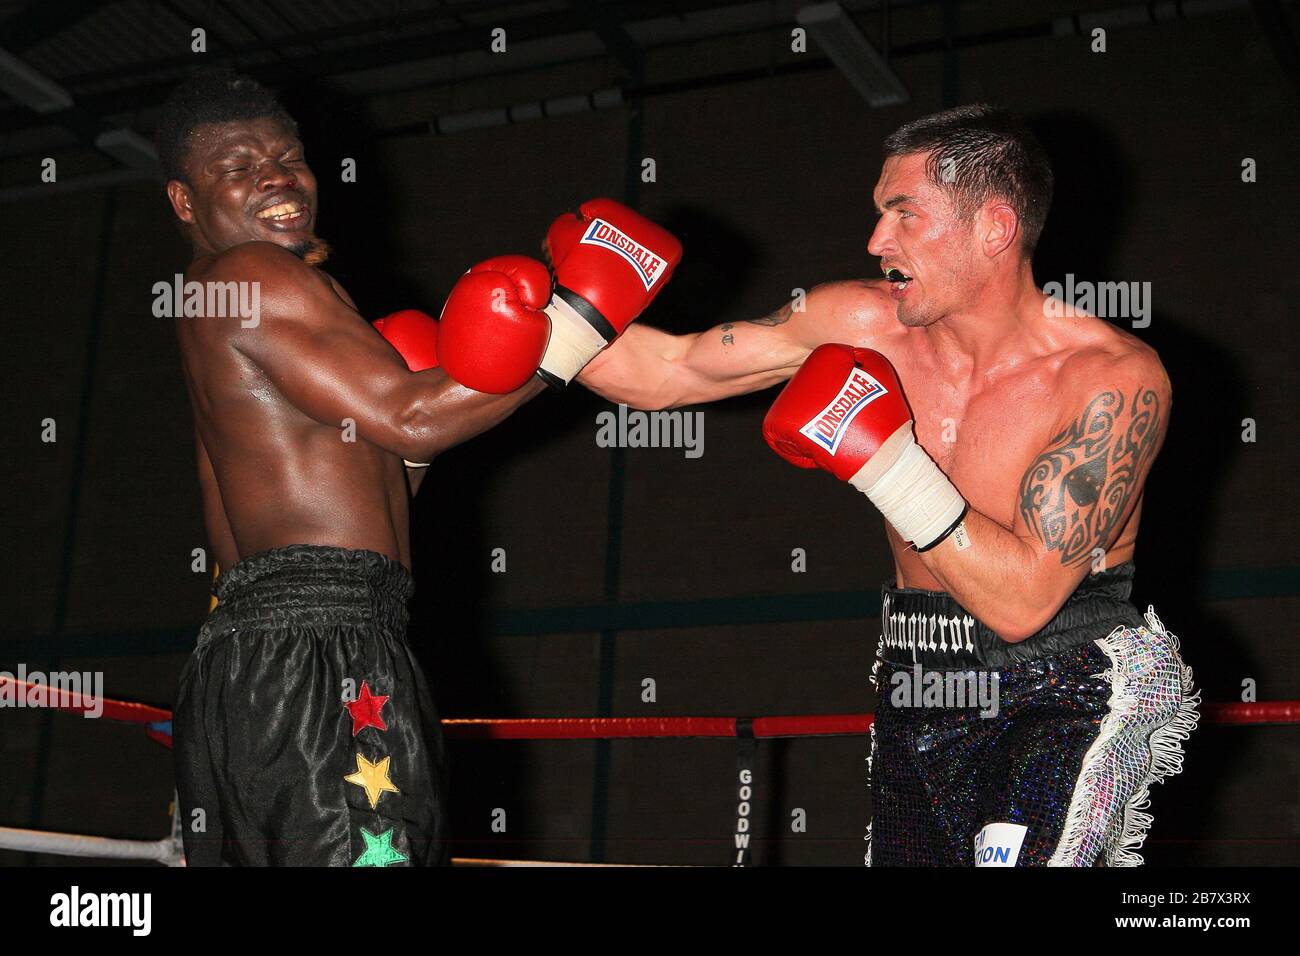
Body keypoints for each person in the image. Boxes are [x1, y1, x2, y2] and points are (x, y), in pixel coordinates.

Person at [567, 104, 1199, 866]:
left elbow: (1023, 602)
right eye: (878, 215)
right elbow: (669, 373)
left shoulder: (1111, 381)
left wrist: (887, 464)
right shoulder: (856, 320)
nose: (876, 242)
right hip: (917, 681)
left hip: (1061, 691)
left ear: (993, 229)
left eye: (905, 216)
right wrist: (548, 322)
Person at [157, 70, 678, 866]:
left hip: (251, 659)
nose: (277, 178)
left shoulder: (212, 299)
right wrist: (580, 322)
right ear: (185, 202)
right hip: (322, 649)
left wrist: (419, 429)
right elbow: (413, 414)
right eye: (237, 166)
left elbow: (398, 458)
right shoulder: (254, 276)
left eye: (289, 158)